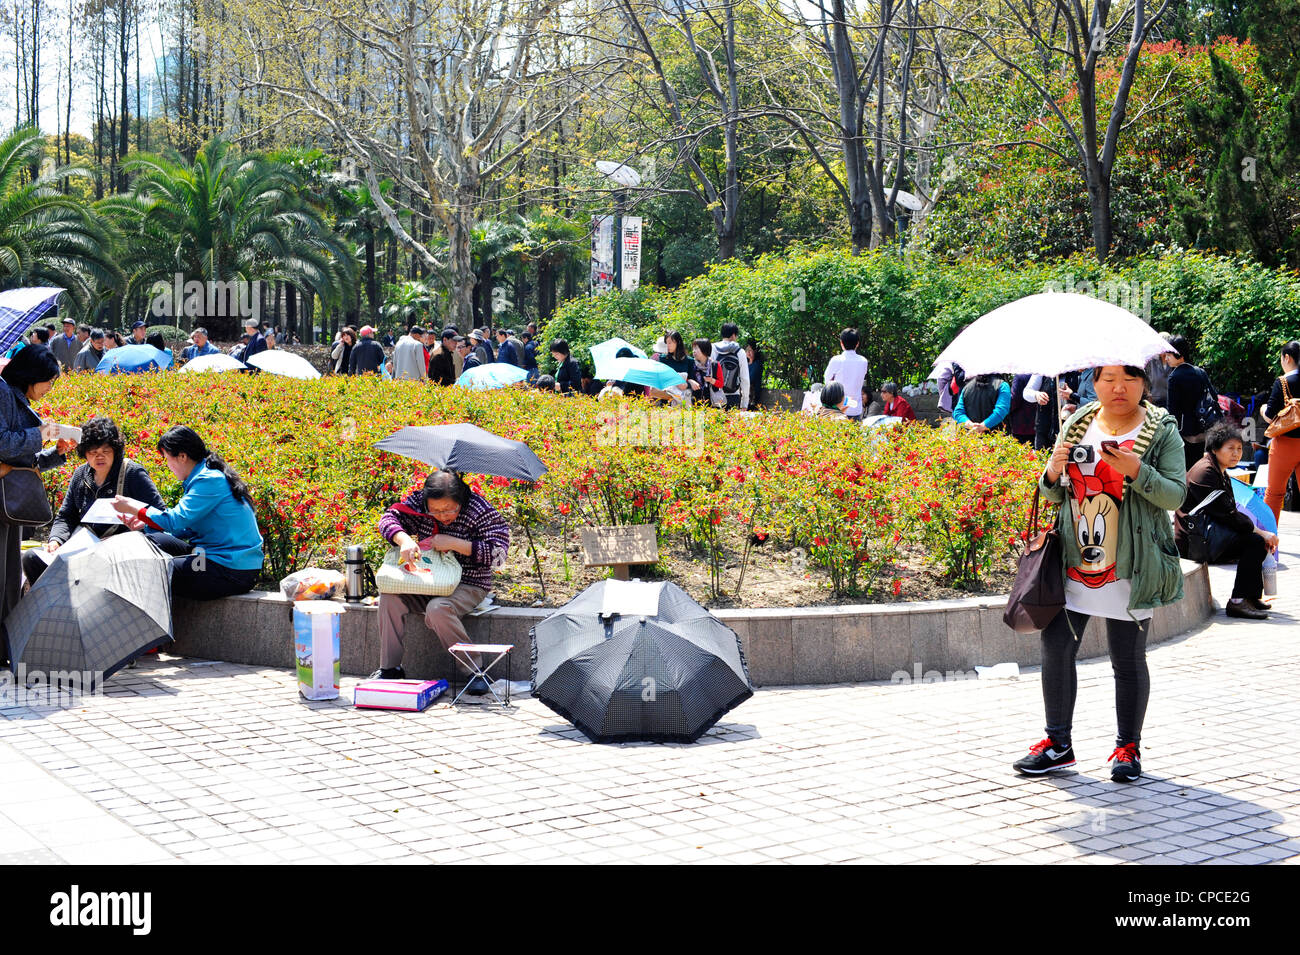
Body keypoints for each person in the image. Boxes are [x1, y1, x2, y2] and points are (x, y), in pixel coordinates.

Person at [1013, 365, 1185, 783]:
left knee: (1126, 660)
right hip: (1074, 562)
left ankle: (1128, 748)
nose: (1118, 387)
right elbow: (1054, 491)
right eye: (1107, 378)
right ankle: (1058, 745)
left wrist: (1136, 470)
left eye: (1129, 379)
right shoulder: (1078, 421)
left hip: (1131, 563)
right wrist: (1051, 471)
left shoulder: (1162, 430)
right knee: (1056, 649)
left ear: (1145, 384)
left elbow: (1175, 494)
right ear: (1095, 383)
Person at [372, 470, 510, 693]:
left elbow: (499, 557)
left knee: (438, 608)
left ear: (461, 501)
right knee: (389, 598)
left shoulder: (480, 510)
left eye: (449, 510)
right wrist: (404, 539)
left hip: (469, 582)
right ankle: (390, 669)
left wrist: (453, 543)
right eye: (435, 511)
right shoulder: (418, 503)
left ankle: (476, 671)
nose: (442, 516)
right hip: (428, 579)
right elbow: (389, 519)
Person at [112, 426, 263, 601]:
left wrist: (133, 506)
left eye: (167, 459)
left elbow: (175, 521)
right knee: (151, 542)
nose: (168, 466)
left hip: (232, 570)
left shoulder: (209, 480)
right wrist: (145, 523)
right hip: (210, 557)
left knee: (154, 569)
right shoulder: (203, 476)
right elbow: (184, 528)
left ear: (182, 456)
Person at [22, 416, 166, 586]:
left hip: (120, 552)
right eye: (93, 453)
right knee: (32, 558)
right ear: (85, 453)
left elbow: (158, 515)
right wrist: (56, 540)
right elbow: (66, 516)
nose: (100, 457)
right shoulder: (80, 475)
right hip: (83, 548)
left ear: (115, 450)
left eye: (105, 451)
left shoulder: (132, 473)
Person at [0, 346, 77, 633]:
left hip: (8, 503)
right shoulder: (2, 391)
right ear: (31, 375)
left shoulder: (14, 397)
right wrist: (41, 433)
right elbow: (3, 443)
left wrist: (56, 452)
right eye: (49, 380)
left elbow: (24, 464)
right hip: (3, 501)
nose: (50, 388)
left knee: (9, 577)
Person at [1174, 422, 1276, 619]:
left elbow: (1228, 512)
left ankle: (1251, 597)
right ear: (1214, 449)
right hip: (1194, 541)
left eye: (1239, 449)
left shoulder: (1219, 470)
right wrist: (1261, 532)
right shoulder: (1205, 472)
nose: (1236, 454)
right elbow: (1227, 514)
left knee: (1255, 540)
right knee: (1255, 541)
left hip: (1207, 534)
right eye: (1230, 448)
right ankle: (1237, 602)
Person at [1261, 340, 1300, 525]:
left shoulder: (1283, 382)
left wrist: (1262, 409)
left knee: (1275, 493)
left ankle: (1268, 542)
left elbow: (1270, 416)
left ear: (1287, 357)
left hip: (1285, 444)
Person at [1163, 334, 1217, 470]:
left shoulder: (1174, 377)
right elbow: (1214, 398)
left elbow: (1172, 411)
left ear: (1179, 354)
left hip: (1184, 431)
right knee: (1199, 467)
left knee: (1185, 469)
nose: (1166, 358)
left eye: (1169, 354)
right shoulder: (1200, 372)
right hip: (1203, 429)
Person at [824, 328, 868, 420]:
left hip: (837, 408)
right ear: (857, 344)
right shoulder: (863, 361)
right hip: (856, 408)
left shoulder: (836, 360)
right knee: (854, 433)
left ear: (841, 343)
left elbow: (827, 381)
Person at [745, 340, 764, 410]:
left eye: (750, 350)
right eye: (747, 350)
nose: (748, 352)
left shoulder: (757, 364)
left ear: (755, 351)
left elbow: (751, 379)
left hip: (753, 396)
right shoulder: (745, 364)